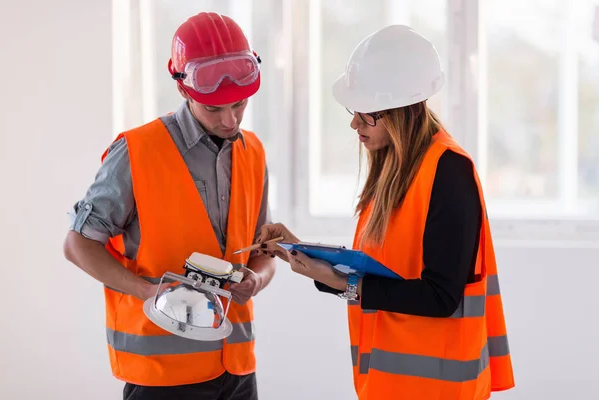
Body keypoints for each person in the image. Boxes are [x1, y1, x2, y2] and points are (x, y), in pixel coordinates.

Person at [257, 25, 515, 399]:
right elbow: (379, 273)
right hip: (387, 386)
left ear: (401, 112)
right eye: (354, 111)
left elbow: (440, 296)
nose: (354, 123)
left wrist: (342, 284)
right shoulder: (394, 170)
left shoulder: (449, 172)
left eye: (367, 114)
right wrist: (299, 250)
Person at [63, 12, 275, 400]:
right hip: (161, 378)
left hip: (238, 369)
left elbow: (262, 252)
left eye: (240, 105)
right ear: (183, 89)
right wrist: (149, 292)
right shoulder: (136, 152)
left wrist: (256, 280)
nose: (230, 120)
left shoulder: (254, 152)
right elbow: (78, 245)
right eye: (214, 109)